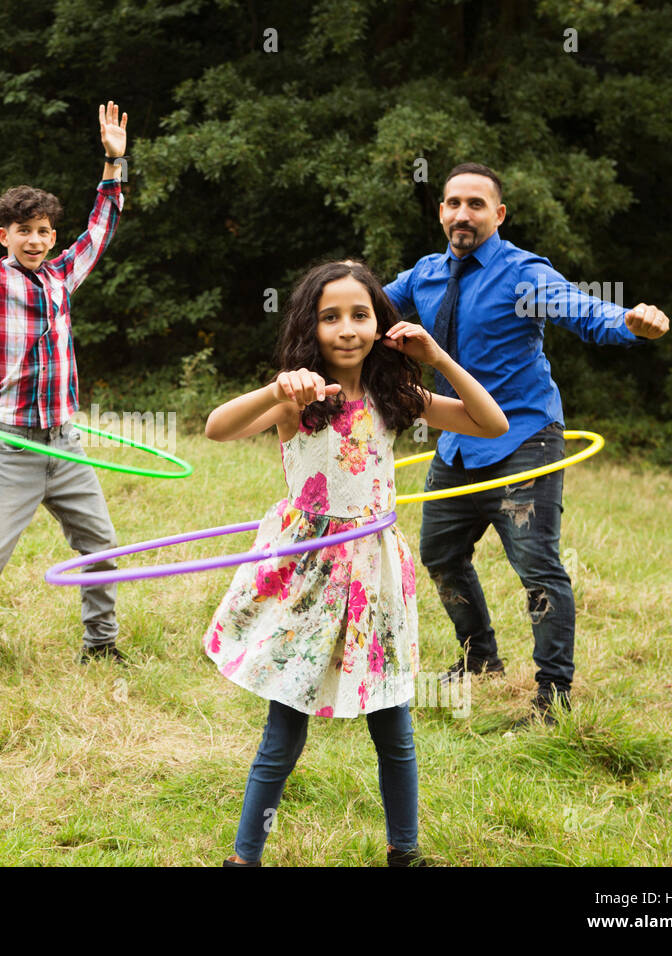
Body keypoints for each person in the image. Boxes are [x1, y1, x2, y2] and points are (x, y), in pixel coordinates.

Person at [204, 260, 507, 867]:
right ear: (309, 328)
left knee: (393, 726)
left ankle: (406, 852)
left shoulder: (397, 397)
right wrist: (277, 389)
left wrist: (439, 357)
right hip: (309, 576)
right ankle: (245, 857)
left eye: (360, 315)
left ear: (380, 324)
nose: (346, 328)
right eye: (330, 317)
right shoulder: (299, 400)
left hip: (374, 575)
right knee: (282, 732)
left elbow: (490, 423)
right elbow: (216, 429)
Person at [383, 163, 670, 728]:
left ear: (499, 214)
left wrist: (633, 323)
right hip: (459, 444)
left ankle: (552, 695)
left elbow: (585, 311)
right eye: (452, 203)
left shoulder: (523, 275)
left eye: (476, 204)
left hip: (524, 438)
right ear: (441, 212)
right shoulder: (425, 274)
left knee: (537, 567)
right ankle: (479, 659)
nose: (462, 214)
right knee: (440, 554)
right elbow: (363, 305)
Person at [0, 96, 130, 681]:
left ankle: (102, 644)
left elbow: (102, 227)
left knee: (102, 548)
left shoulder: (64, 274)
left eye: (44, 231)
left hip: (64, 443)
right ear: (5, 235)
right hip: (13, 444)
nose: (37, 240)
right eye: (25, 231)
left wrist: (112, 164)